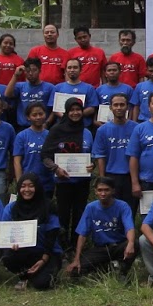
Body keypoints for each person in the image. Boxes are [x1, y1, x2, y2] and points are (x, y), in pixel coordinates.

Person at [42, 97, 95, 244]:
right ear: (66, 111)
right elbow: (45, 155)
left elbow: (93, 156)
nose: (75, 113)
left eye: (78, 109)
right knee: (63, 215)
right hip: (63, 180)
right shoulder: (56, 130)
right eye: (72, 110)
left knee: (79, 214)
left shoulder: (87, 132)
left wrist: (92, 165)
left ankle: (76, 245)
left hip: (82, 182)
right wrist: (55, 168)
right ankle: (62, 246)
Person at [0, 176, 62, 291]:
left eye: (31, 186)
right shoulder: (11, 208)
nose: (27, 190)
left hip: (47, 253)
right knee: (8, 257)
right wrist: (10, 243)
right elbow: (4, 232)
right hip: (22, 251)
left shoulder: (48, 207)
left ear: (37, 188)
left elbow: (52, 235)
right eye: (23, 186)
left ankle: (42, 273)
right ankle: (24, 276)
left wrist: (43, 260)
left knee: (42, 284)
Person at [66, 177, 136, 279]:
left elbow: (129, 227)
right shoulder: (91, 207)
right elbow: (82, 234)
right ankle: (108, 267)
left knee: (136, 244)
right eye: (100, 190)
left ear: (113, 191)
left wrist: (131, 243)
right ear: (95, 192)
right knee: (76, 272)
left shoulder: (123, 206)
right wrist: (76, 259)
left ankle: (123, 271)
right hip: (101, 248)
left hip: (119, 246)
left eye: (106, 190)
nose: (103, 193)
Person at [92, 93, 138, 209]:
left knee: (130, 210)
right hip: (111, 175)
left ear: (127, 107)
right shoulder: (102, 130)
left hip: (130, 176)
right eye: (115, 105)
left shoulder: (137, 128)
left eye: (122, 105)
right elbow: (100, 156)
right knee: (112, 210)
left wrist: (135, 181)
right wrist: (103, 180)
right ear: (110, 107)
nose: (119, 108)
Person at [11, 101, 53, 194]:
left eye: (40, 114)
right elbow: (17, 161)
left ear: (45, 114)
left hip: (47, 183)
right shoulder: (22, 136)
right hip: (28, 184)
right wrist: (20, 183)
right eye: (34, 115)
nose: (38, 117)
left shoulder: (50, 135)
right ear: (28, 117)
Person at [52, 57, 99, 125]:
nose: (72, 70)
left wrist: (76, 115)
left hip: (83, 125)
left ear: (81, 70)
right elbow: (55, 109)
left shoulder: (89, 88)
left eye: (75, 67)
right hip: (63, 125)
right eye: (69, 68)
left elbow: (92, 108)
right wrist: (67, 117)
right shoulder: (58, 88)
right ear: (66, 70)